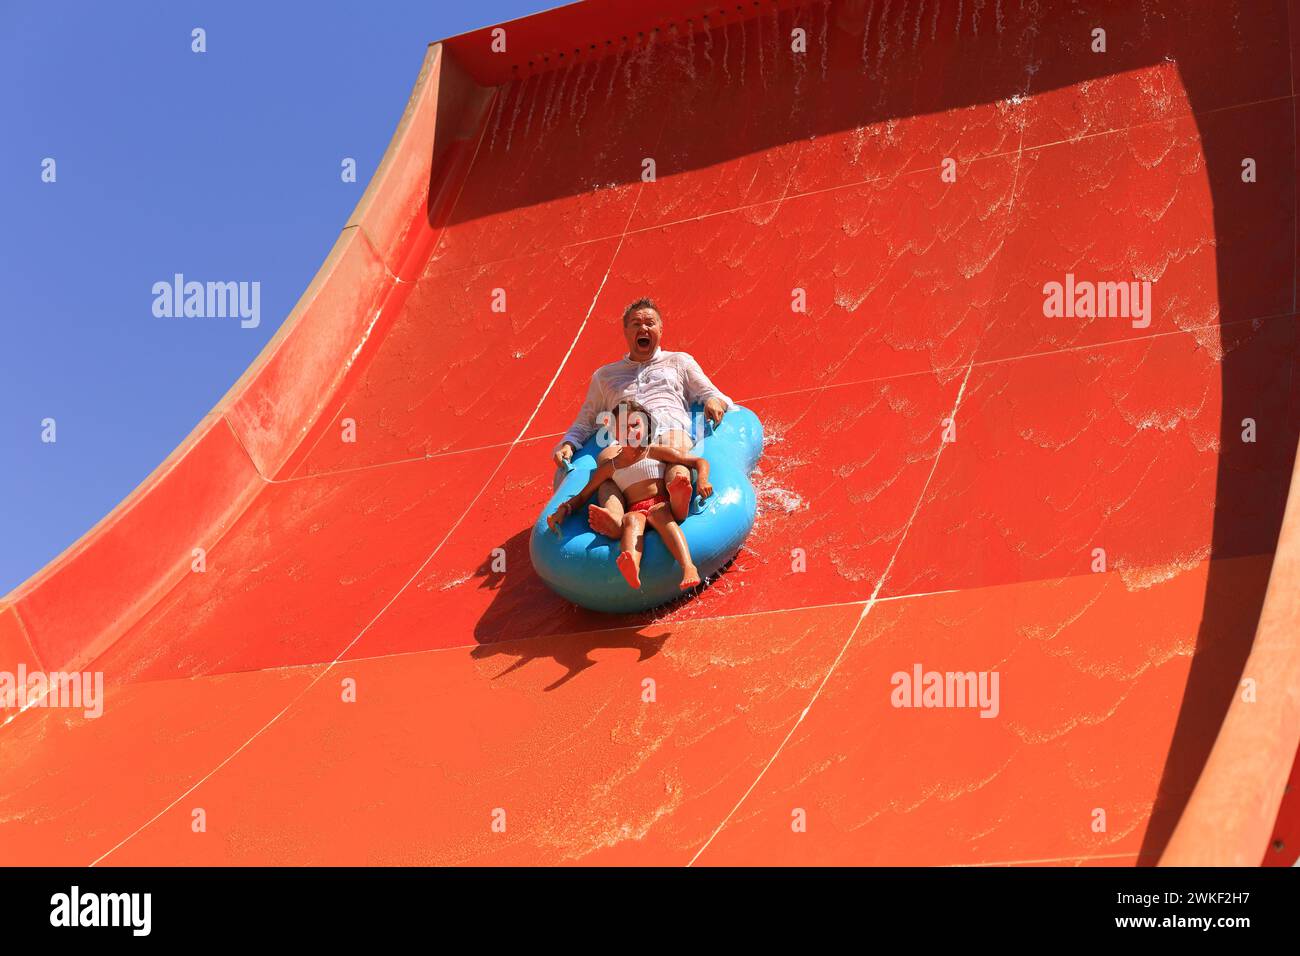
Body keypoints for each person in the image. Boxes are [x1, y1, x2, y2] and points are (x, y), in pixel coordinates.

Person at [551, 297, 733, 535]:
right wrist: (568, 443)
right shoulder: (605, 376)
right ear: (625, 331)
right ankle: (614, 518)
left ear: (660, 329)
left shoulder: (679, 361)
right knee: (606, 465)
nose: (643, 328)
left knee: (675, 452)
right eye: (636, 324)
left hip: (667, 429)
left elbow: (713, 394)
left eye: (650, 323)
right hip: (625, 439)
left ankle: (677, 496)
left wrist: (712, 400)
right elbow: (586, 420)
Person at [548, 401, 713, 591]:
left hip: (661, 504)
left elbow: (698, 461)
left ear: (646, 428)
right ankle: (631, 566)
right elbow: (583, 495)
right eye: (622, 427)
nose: (629, 431)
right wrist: (564, 509)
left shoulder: (655, 451)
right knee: (631, 519)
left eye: (635, 425)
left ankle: (688, 567)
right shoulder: (610, 467)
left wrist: (702, 480)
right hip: (636, 510)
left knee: (659, 513)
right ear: (615, 433)